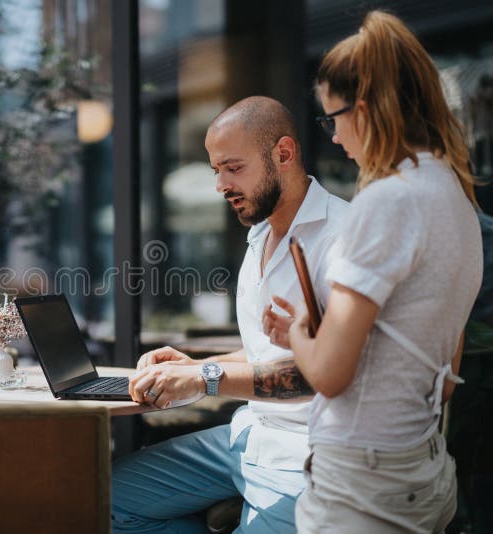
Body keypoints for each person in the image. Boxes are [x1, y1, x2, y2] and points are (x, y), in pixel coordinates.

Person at [264, 11, 483, 533]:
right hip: (421, 467)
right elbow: (444, 373)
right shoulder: (455, 195)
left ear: (361, 109)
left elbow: (331, 376)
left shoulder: (385, 203)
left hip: (361, 483)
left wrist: (299, 333)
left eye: (331, 120)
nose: (334, 138)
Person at [110, 95, 349, 533]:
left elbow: (319, 372)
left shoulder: (343, 238)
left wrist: (206, 378)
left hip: (308, 454)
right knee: (103, 501)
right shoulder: (260, 235)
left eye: (233, 168)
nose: (220, 185)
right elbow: (263, 351)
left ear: (283, 154)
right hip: (246, 435)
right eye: (215, 170)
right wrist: (196, 365)